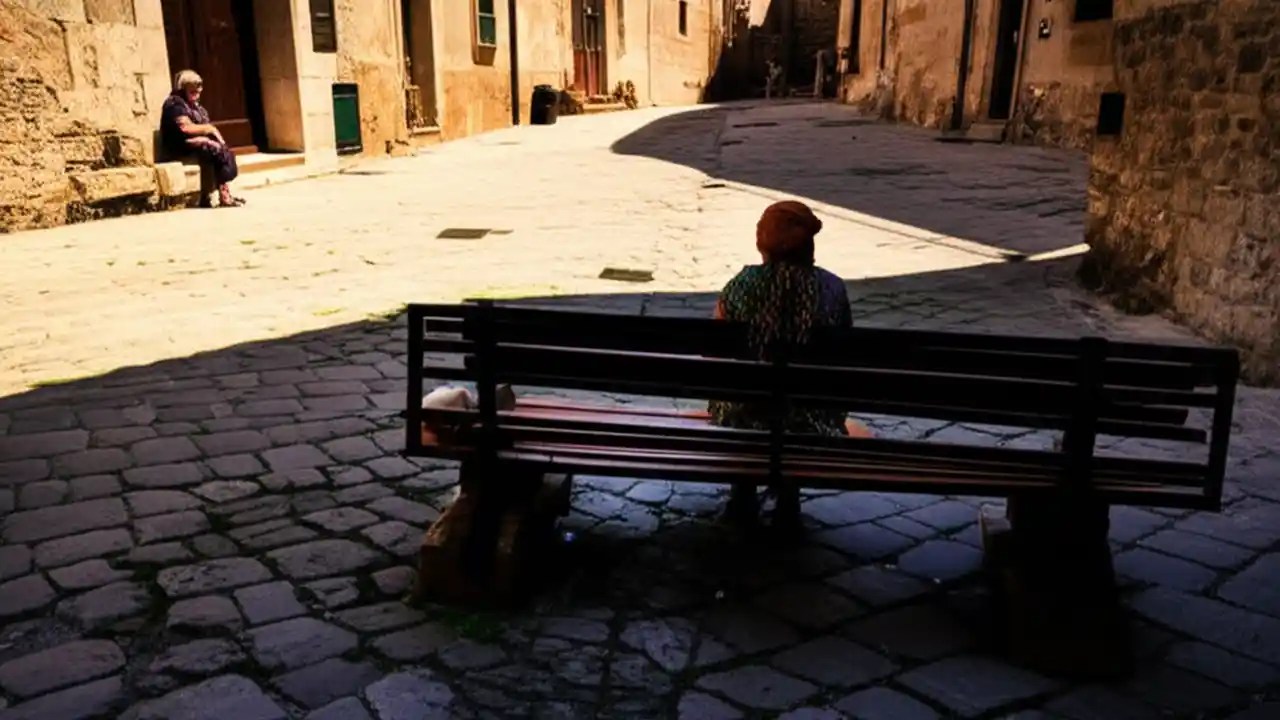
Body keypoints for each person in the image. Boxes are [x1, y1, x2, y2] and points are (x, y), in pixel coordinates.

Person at [709, 200, 871, 528]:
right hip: (811, 419)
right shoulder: (830, 288)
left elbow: (714, 353)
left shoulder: (741, 285)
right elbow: (845, 354)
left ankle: (742, 494)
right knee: (799, 402)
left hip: (743, 415)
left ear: (762, 243)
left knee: (743, 399)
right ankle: (788, 498)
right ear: (809, 244)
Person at [160, 69, 244, 208]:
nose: (197, 93)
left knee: (223, 150)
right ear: (183, 88)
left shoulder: (197, 107)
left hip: (192, 143)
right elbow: (185, 128)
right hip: (178, 143)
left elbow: (204, 124)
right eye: (192, 90)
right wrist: (209, 130)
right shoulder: (175, 103)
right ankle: (222, 196)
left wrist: (217, 139)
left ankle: (224, 192)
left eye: (198, 89)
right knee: (211, 146)